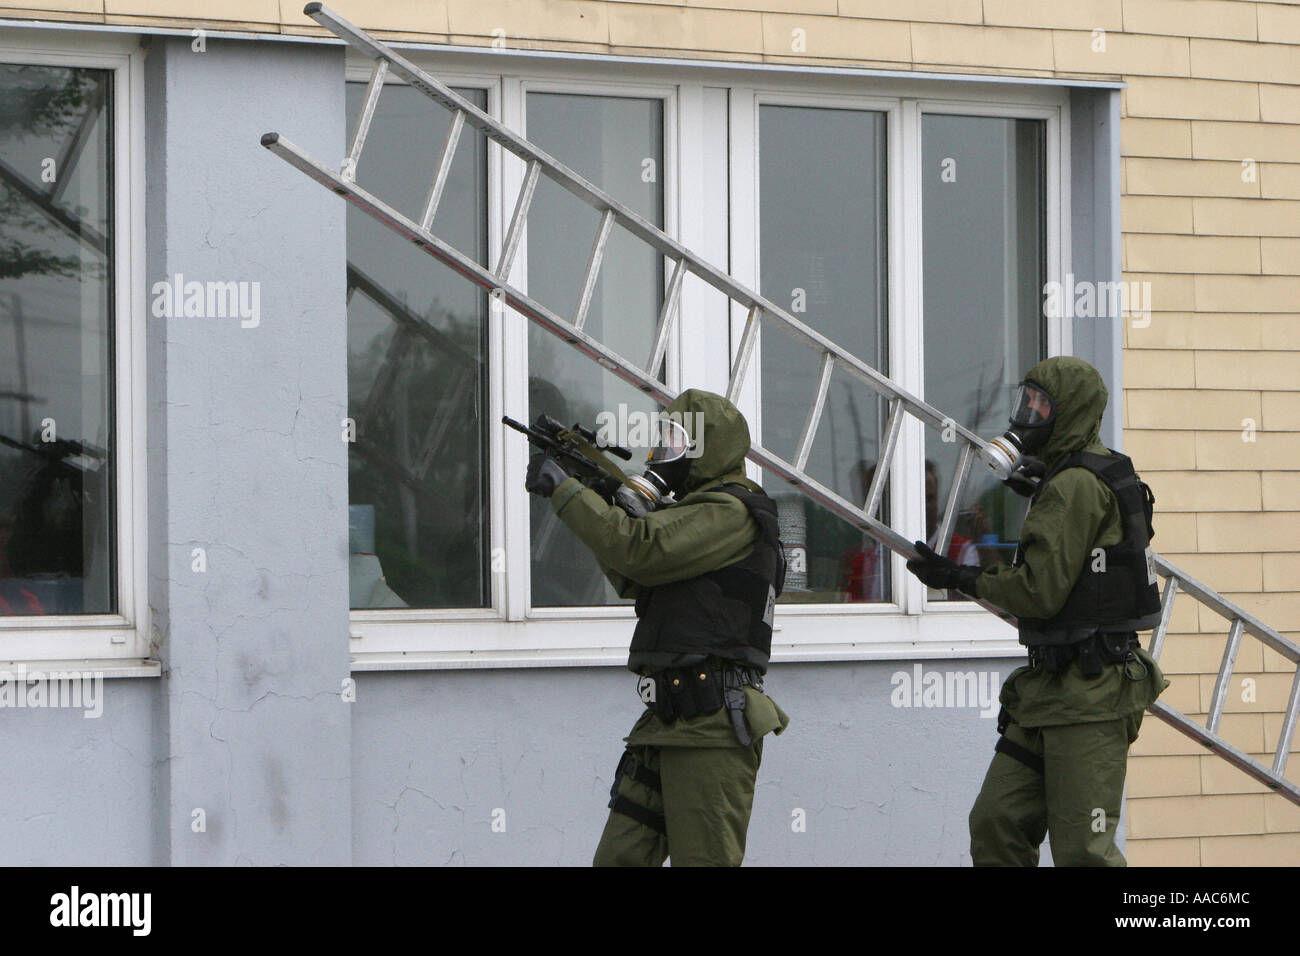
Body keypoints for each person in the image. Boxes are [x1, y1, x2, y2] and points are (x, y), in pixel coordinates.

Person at [904, 356, 1169, 866]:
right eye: (1025, 399)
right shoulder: (1070, 475)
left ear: (1068, 412)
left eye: (1042, 403)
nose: (1028, 413)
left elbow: (1039, 593)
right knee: (998, 821)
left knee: (1081, 851)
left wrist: (961, 577)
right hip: (1048, 688)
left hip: (1090, 694)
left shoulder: (1073, 486)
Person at [524, 388, 789, 866]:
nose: (664, 455)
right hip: (665, 721)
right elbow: (630, 571)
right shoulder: (692, 513)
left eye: (676, 442)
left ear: (707, 448)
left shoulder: (731, 512)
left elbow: (641, 551)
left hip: (712, 725)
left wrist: (568, 491)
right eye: (662, 441)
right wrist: (599, 489)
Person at [841, 459, 980, 602]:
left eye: (929, 498)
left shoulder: (963, 551)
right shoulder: (861, 561)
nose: (923, 506)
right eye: (915, 499)